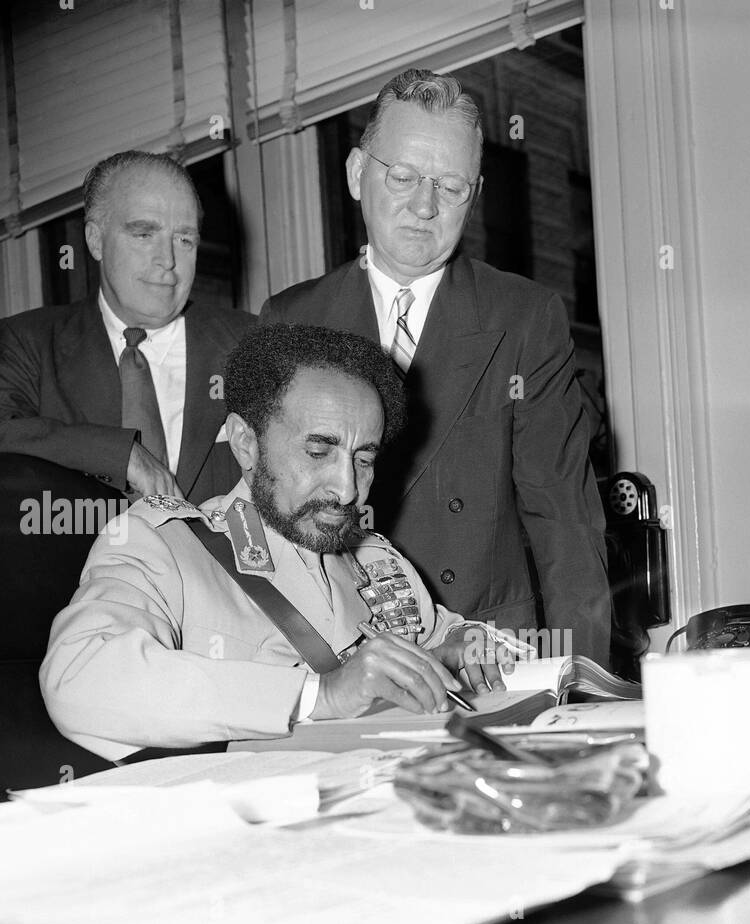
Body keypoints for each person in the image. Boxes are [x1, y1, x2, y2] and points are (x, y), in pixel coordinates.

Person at [261, 68, 612, 666]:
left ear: (472, 198)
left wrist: (582, 689)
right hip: (343, 652)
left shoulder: (525, 317)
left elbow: (565, 527)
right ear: (356, 174)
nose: (424, 206)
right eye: (403, 176)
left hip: (489, 655)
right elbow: (269, 525)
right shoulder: (290, 320)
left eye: (450, 188)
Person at [41, 323, 516, 763]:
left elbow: (445, 636)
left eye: (364, 458)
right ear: (246, 443)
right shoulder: (162, 543)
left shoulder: (375, 557)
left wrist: (465, 645)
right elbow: (79, 679)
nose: (348, 489)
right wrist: (319, 695)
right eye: (318, 451)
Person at [0, 151, 255, 503]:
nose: (168, 260)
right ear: (94, 240)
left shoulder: (250, 343)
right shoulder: (27, 344)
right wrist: (122, 455)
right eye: (143, 234)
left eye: (184, 239)